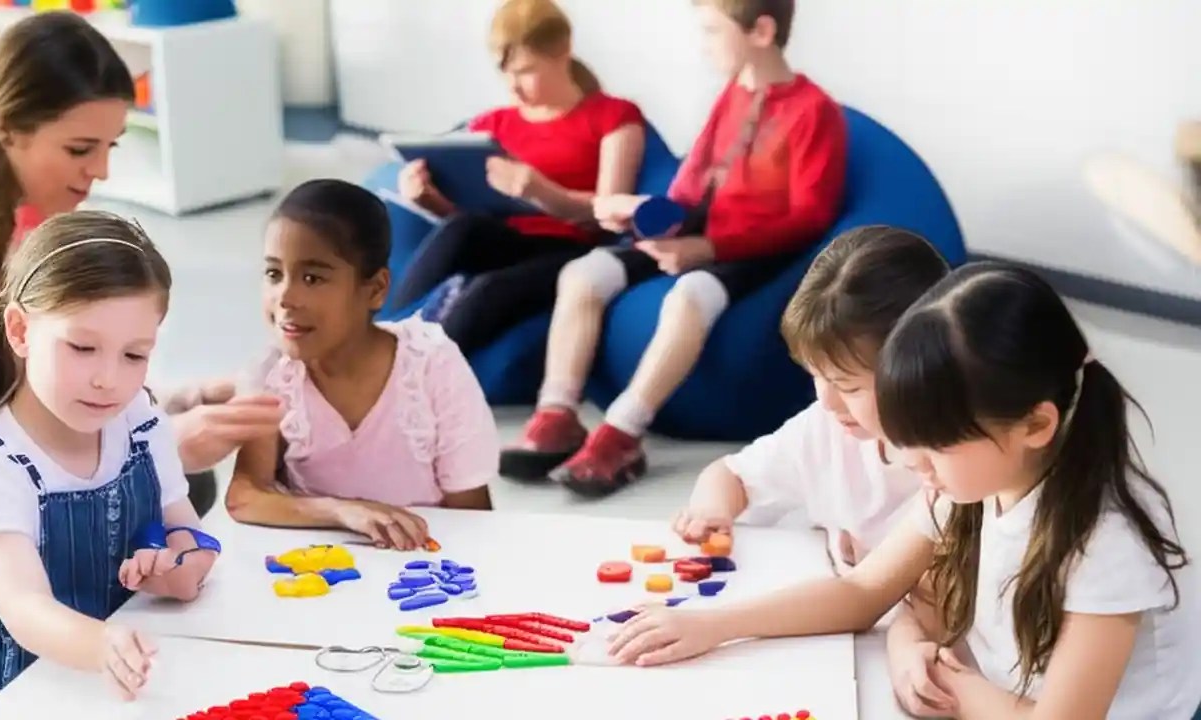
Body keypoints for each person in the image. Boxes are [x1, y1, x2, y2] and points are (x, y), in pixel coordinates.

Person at [607, 263, 1201, 719]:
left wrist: (961, 689)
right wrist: (713, 625)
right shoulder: (967, 483)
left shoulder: (1106, 539)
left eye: (935, 445)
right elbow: (866, 591)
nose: (913, 464)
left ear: (1036, 426)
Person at [0, 11, 279, 661]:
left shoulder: (24, 219)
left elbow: (66, 361)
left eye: (112, 146)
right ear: (7, 128)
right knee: (156, 478)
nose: (102, 173)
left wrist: (171, 403)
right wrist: (160, 445)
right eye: (82, 149)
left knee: (170, 480)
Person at [499, 0, 848, 496]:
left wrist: (708, 248)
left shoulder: (815, 111)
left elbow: (810, 217)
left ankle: (622, 431)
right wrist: (641, 213)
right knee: (582, 274)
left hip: (755, 250)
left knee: (690, 296)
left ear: (762, 31)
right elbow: (688, 190)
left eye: (711, 32)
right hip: (701, 234)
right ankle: (557, 412)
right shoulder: (730, 96)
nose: (702, 46)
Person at [0, 212, 219, 719]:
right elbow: (25, 608)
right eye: (83, 348)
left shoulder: (140, 417)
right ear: (20, 331)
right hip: (17, 692)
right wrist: (102, 645)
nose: (108, 379)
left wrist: (181, 569)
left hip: (126, 681)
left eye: (134, 355)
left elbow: (186, 529)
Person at [226, 180, 499, 550]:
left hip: (423, 568)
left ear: (375, 289)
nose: (286, 297)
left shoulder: (431, 363)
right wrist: (343, 512)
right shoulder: (271, 375)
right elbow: (245, 496)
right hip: (324, 573)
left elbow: (474, 516)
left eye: (312, 278)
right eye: (274, 274)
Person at [673, 227, 946, 574]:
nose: (828, 401)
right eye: (817, 376)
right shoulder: (826, 428)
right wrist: (712, 510)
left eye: (848, 386)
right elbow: (732, 475)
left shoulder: (954, 469)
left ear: (919, 369)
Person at [388, 0, 646, 355]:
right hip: (503, 239)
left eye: (525, 71)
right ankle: (375, 338)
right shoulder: (491, 126)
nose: (514, 86)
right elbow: (467, 214)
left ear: (563, 52)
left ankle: (412, 372)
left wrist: (542, 192)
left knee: (490, 289)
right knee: (463, 228)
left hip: (570, 250)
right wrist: (428, 201)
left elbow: (611, 213)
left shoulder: (613, 116)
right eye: (505, 72)